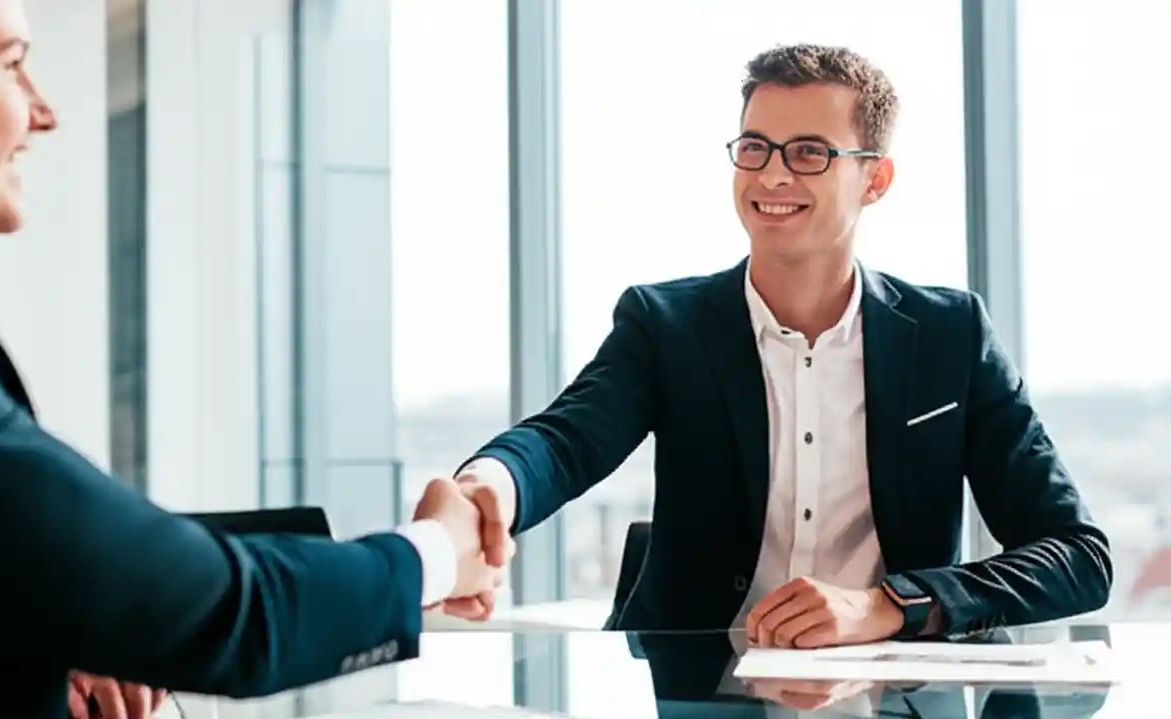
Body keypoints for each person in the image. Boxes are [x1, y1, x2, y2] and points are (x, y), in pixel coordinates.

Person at [0, 1, 501, 718]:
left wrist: (70, 629)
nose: (43, 112)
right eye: (12, 65)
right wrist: (432, 554)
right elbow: (229, 612)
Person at [427, 43, 1113, 645]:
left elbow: (1078, 555)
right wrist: (491, 484)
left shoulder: (949, 336)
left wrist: (892, 605)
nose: (771, 175)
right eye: (754, 147)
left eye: (809, 152)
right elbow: (565, 440)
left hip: (895, 689)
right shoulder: (666, 324)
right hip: (700, 688)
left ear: (874, 178)